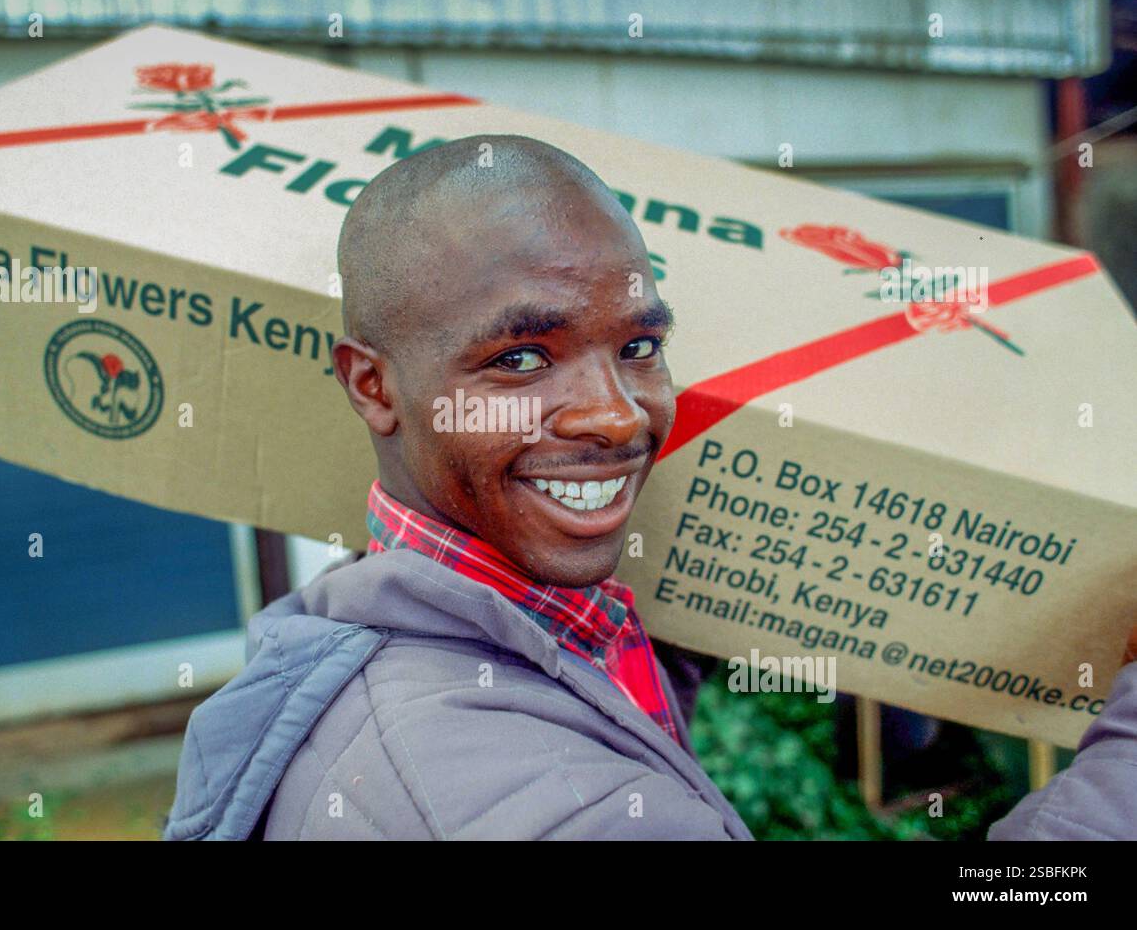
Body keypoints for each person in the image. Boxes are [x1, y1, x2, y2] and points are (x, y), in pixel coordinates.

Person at [165, 136, 1137, 840]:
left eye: (637, 346)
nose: (618, 416)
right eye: (518, 358)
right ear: (372, 384)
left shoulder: (421, 629)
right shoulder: (503, 790)